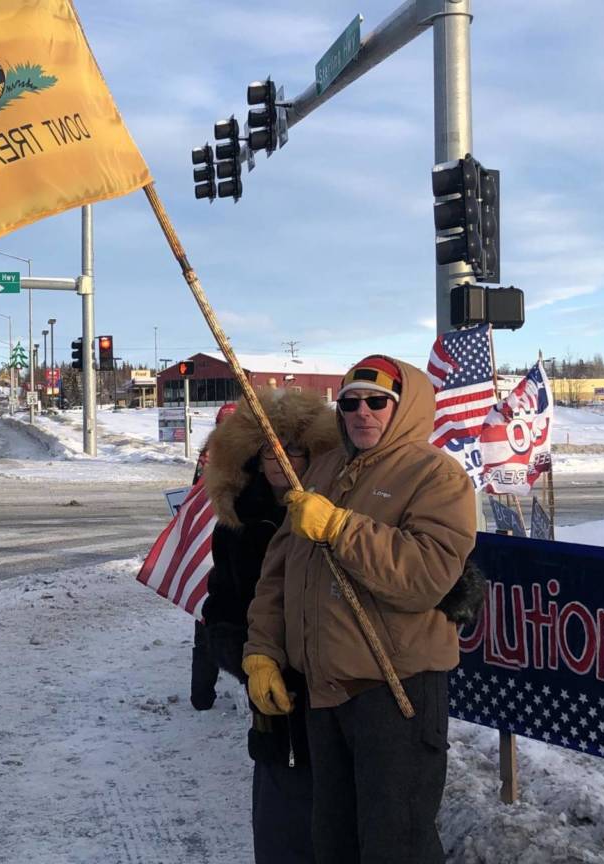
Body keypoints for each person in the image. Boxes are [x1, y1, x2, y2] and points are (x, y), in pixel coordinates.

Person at [244, 355, 477, 863]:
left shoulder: (436, 475)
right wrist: (261, 651)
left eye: (377, 402)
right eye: (350, 402)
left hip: (394, 694)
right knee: (335, 844)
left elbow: (427, 577)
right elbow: (279, 572)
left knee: (395, 847)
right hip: (324, 698)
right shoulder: (324, 471)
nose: (362, 413)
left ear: (404, 406)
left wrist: (340, 529)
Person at [201, 389, 339, 864]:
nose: (283, 457)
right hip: (278, 699)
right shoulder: (236, 523)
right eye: (270, 448)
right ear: (255, 459)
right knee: (284, 825)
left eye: (295, 448)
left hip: (341, 688)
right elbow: (220, 608)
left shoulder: (343, 509)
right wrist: (248, 658)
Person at [189, 401, 241, 711]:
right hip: (221, 547)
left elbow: (194, 496)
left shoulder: (207, 456)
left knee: (207, 621)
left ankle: (201, 696)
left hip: (211, 550)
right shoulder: (238, 457)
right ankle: (206, 695)